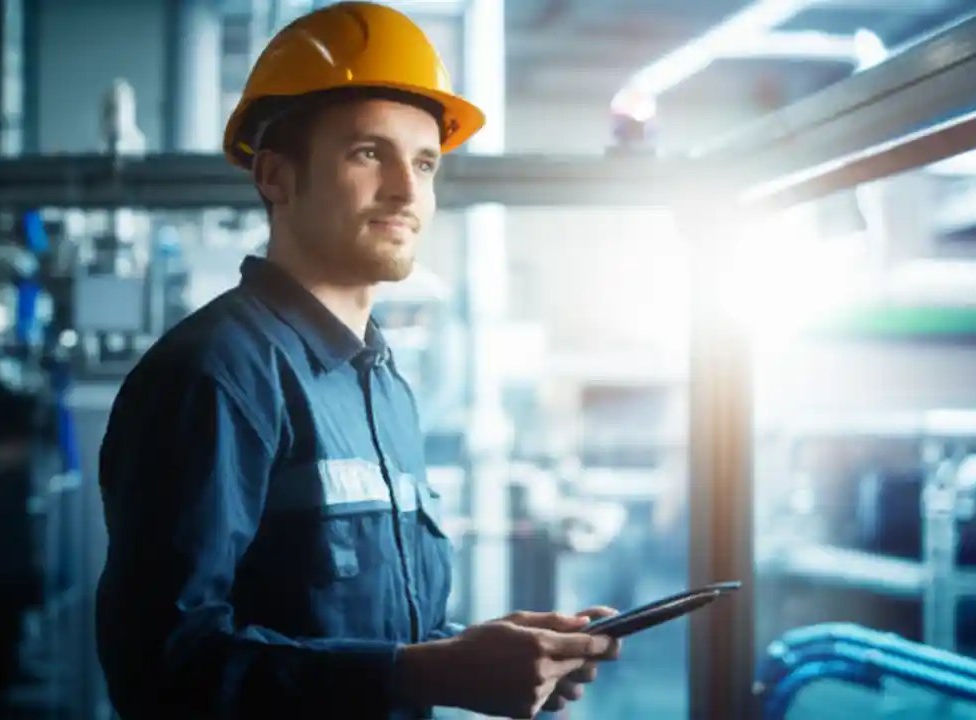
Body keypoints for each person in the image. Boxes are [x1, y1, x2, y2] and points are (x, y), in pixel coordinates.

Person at [94, 3, 621, 718]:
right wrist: (426, 676)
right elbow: (164, 669)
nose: (407, 189)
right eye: (368, 153)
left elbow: (375, 641)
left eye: (426, 161)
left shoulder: (382, 385)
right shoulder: (216, 376)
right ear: (276, 178)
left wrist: (483, 655)